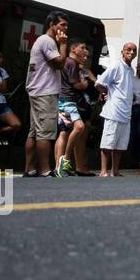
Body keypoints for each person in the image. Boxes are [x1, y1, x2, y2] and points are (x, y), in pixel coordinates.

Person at [24, 11, 69, 177]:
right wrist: (63, 44)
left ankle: (29, 168)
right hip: (45, 93)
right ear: (52, 24)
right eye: (62, 25)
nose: (65, 29)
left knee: (34, 132)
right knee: (45, 132)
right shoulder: (48, 41)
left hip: (38, 91)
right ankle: (44, 170)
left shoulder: (43, 41)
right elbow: (59, 63)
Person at [54, 39, 96, 177]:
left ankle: (60, 166)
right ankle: (64, 161)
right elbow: (77, 85)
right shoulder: (71, 63)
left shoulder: (69, 62)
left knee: (64, 132)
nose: (86, 51)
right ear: (73, 49)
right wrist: (84, 83)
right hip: (66, 101)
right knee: (78, 128)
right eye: (83, 47)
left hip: (65, 100)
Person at [96, 42, 137, 177]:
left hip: (126, 113)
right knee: (108, 143)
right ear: (122, 51)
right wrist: (108, 93)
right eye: (128, 50)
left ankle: (115, 171)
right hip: (114, 111)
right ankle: (103, 171)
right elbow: (99, 83)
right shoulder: (115, 65)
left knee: (120, 145)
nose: (131, 53)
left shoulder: (131, 70)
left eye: (133, 51)